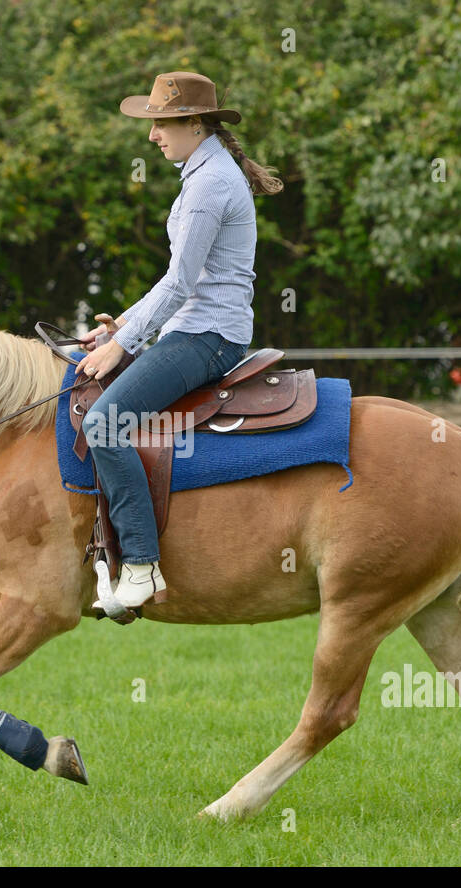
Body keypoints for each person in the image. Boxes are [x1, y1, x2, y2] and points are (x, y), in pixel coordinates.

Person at [78, 71, 284, 610]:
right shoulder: (204, 172)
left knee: (105, 423)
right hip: (195, 326)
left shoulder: (211, 183)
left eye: (161, 124)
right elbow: (178, 280)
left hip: (208, 337)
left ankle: (142, 564)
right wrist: (121, 326)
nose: (152, 136)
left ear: (195, 123)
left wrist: (121, 347)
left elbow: (180, 283)